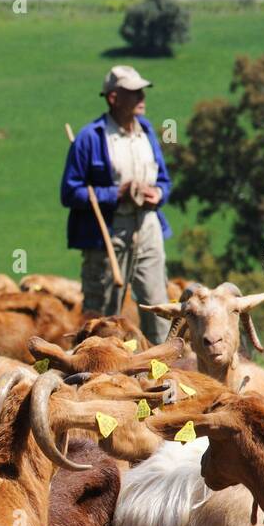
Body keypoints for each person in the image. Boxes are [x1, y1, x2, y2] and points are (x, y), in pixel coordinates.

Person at [60, 64, 172, 343]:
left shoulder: (145, 131)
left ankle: (164, 370)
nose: (142, 97)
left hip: (148, 227)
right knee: (104, 313)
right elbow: (69, 192)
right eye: (134, 92)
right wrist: (115, 194)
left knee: (157, 304)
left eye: (142, 91)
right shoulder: (90, 138)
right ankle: (100, 374)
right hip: (110, 232)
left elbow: (165, 181)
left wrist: (158, 194)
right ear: (113, 98)